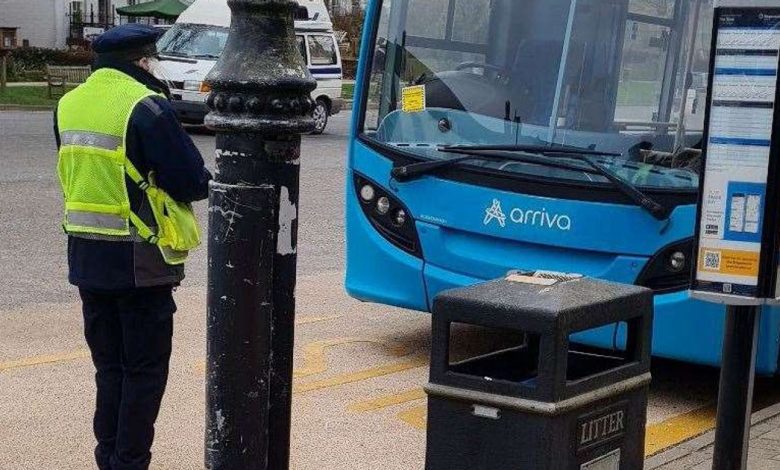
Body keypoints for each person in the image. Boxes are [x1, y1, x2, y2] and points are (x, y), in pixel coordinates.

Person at [53, 24, 212, 470]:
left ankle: (109, 458)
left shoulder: (68, 105)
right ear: (142, 61)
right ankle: (129, 461)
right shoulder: (145, 106)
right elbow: (192, 181)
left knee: (109, 369)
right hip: (140, 261)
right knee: (143, 372)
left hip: (86, 257)